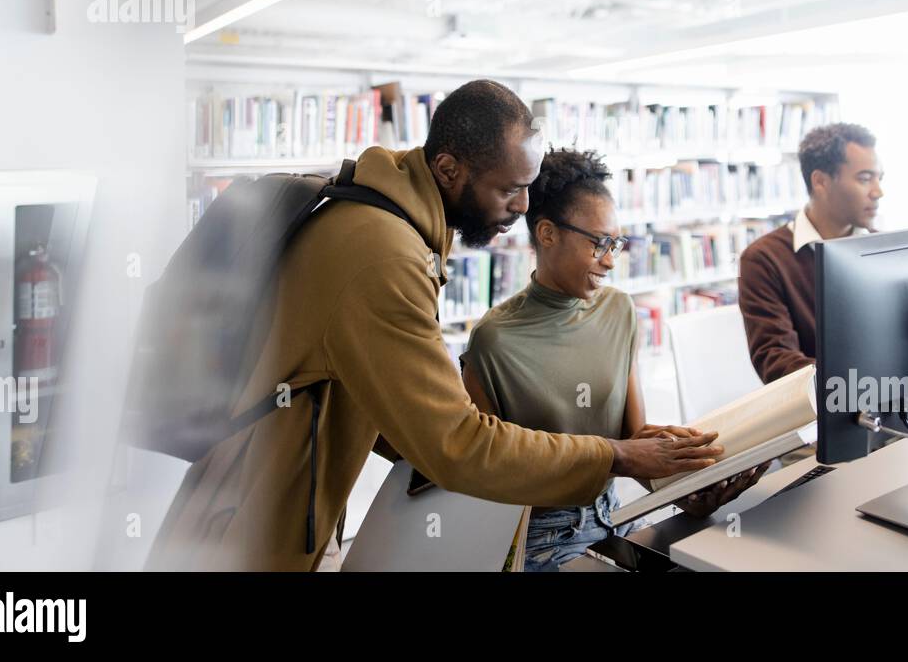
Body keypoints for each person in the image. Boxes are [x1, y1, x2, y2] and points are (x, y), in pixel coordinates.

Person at [146, 80, 723, 571]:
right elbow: (457, 446)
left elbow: (394, 412)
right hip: (247, 525)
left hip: (258, 500)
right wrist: (612, 457)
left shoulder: (384, 221)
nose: (525, 206)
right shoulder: (384, 257)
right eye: (509, 188)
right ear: (448, 169)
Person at [462, 148, 767, 571]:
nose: (610, 260)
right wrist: (619, 457)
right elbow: (490, 471)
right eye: (599, 243)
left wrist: (687, 488)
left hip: (619, 515)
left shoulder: (620, 311)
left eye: (617, 243)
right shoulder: (493, 340)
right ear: (547, 234)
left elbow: (633, 437)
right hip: (540, 534)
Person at [739, 122, 884, 385]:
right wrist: (858, 381)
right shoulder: (764, 259)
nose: (878, 192)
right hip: (820, 411)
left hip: (880, 398)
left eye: (879, 178)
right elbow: (775, 359)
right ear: (820, 181)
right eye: (864, 178)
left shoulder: (881, 248)